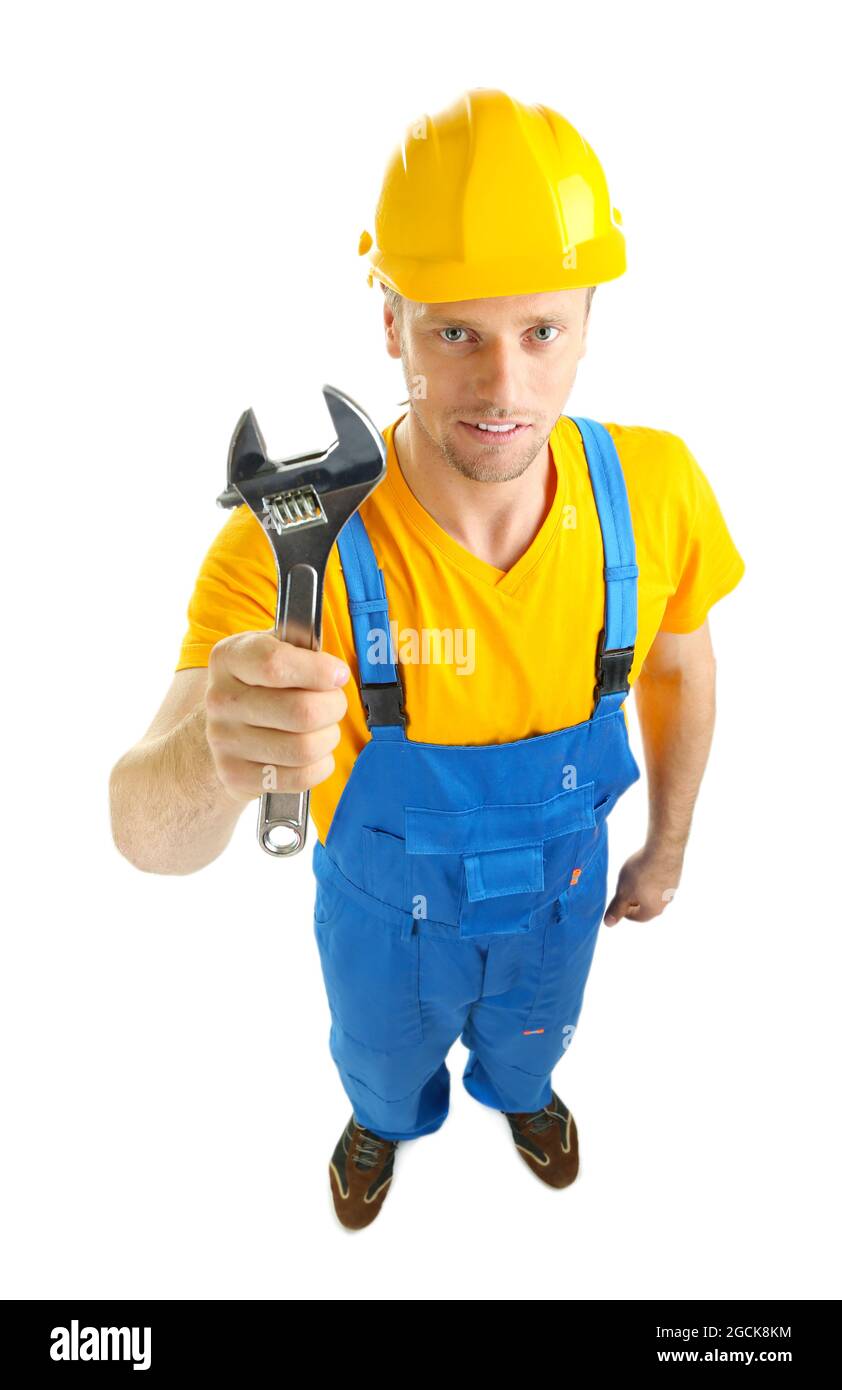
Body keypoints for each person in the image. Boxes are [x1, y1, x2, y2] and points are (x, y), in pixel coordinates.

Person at [109, 88, 746, 1232]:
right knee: (379, 1054)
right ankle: (382, 1121)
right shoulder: (285, 538)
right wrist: (216, 754)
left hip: (562, 900)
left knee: (536, 1032)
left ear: (589, 322)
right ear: (389, 319)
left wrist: (667, 846)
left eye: (539, 332)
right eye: (455, 330)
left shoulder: (653, 492)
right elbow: (142, 836)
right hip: (378, 917)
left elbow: (679, 669)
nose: (502, 387)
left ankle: (526, 1096)